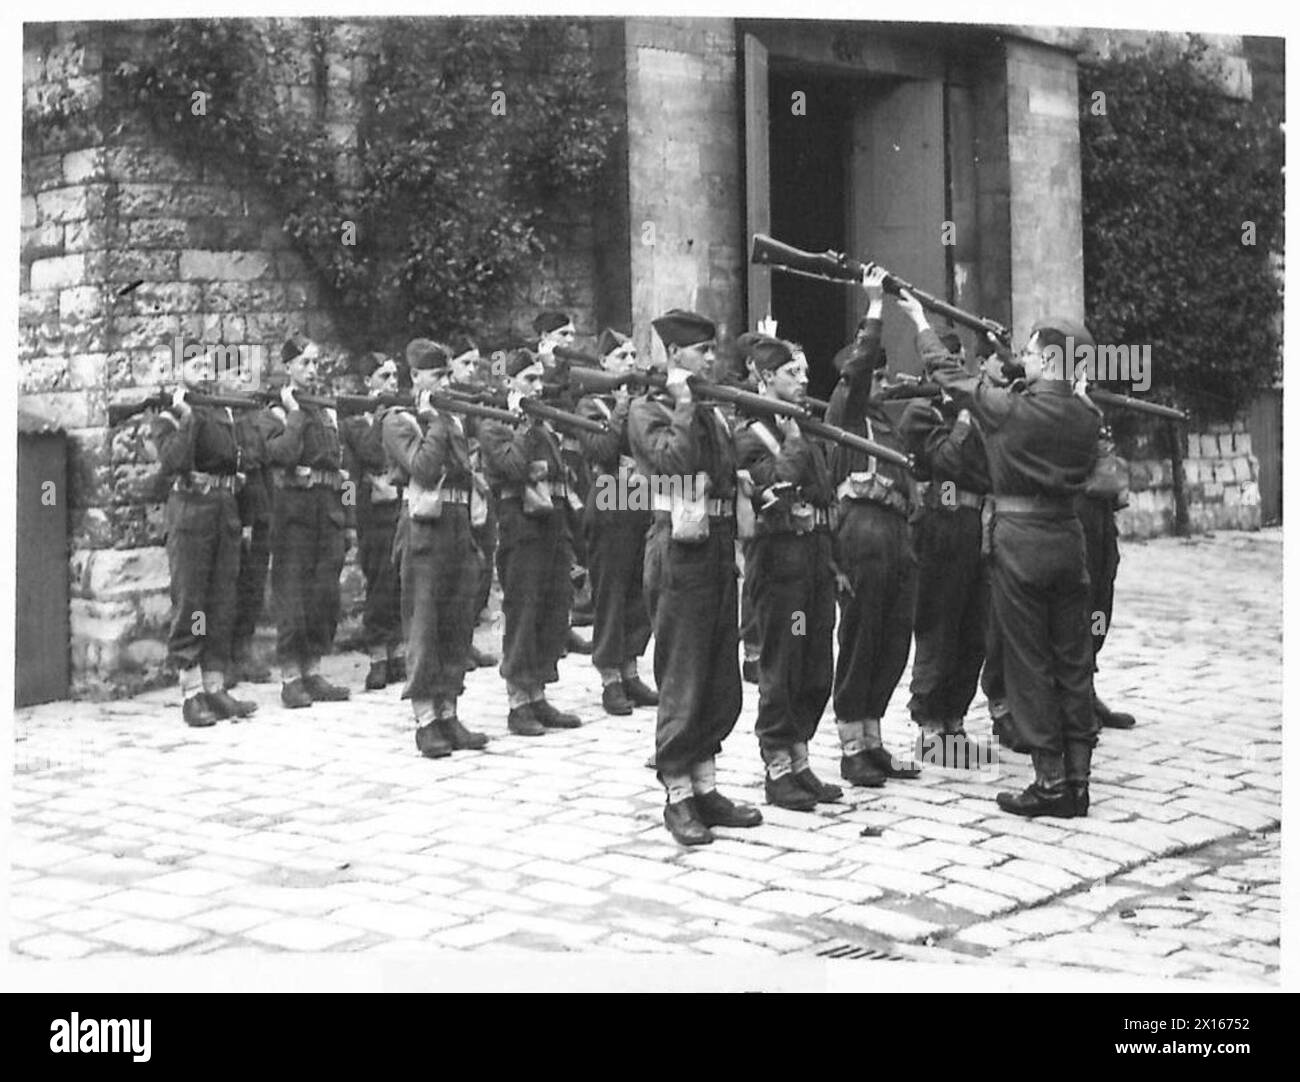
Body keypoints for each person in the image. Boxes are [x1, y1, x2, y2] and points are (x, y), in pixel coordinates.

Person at [906, 295, 1102, 818]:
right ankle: (1079, 780)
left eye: (1035, 354)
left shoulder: (1012, 407)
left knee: (1029, 663)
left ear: (1052, 361)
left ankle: (1050, 782)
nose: (1027, 360)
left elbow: (949, 376)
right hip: (1067, 537)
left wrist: (921, 323)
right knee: (1073, 661)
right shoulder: (1087, 415)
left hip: (1018, 540)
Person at [629, 308, 762, 846]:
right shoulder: (647, 409)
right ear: (675, 355)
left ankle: (705, 787)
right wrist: (684, 403)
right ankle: (677, 796)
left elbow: (720, 473)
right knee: (682, 675)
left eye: (712, 348)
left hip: (714, 551)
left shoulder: (707, 411)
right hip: (677, 551)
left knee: (717, 677)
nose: (711, 358)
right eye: (701, 350)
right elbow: (675, 465)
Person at [734, 334, 841, 810]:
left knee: (817, 665)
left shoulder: (802, 427)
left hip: (814, 558)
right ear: (764, 379)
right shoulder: (748, 435)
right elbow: (773, 483)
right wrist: (794, 440)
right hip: (780, 565)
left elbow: (821, 491)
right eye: (791, 373)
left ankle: (800, 758)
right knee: (784, 663)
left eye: (803, 372)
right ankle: (777, 765)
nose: (803, 381)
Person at [825, 269, 923, 788]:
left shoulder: (888, 425)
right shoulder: (847, 411)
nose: (884, 385)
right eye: (877, 379)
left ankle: (874, 737)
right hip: (861, 535)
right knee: (862, 639)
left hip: (896, 538)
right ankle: (851, 747)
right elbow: (859, 370)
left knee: (893, 641)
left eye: (884, 379)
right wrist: (876, 308)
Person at [382, 339, 487, 757]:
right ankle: (426, 719)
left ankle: (449, 711)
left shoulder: (451, 420)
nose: (446, 381)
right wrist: (438, 421)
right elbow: (423, 468)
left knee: (457, 622)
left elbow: (465, 471)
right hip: (425, 532)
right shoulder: (399, 420)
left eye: (447, 374)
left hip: (459, 528)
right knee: (424, 625)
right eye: (437, 375)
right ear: (416, 379)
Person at [898, 332, 994, 768]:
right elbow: (949, 464)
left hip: (979, 525)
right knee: (939, 625)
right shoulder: (921, 412)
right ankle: (929, 725)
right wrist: (965, 419)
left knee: (974, 631)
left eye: (960, 362)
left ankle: (954, 720)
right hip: (942, 524)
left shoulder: (975, 410)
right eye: (947, 364)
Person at [150, 349, 258, 726]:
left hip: (223, 511)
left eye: (206, 366)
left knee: (221, 601)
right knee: (193, 604)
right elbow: (174, 463)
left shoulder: (219, 412)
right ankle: (191, 689)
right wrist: (188, 418)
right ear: (177, 372)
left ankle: (215, 685)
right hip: (192, 514)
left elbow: (234, 459)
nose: (204, 372)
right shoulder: (170, 418)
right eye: (194, 366)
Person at [478, 348, 582, 736]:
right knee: (522, 609)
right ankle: (517, 701)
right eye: (530, 380)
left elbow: (556, 472)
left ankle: (538, 693)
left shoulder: (541, 425)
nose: (538, 387)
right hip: (520, 525)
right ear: (510, 384)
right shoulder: (495, 423)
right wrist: (521, 422)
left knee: (553, 606)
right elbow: (513, 467)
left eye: (540, 380)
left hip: (552, 523)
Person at [264, 335, 354, 708]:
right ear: (288, 367)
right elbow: (281, 455)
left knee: (324, 595)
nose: (312, 371)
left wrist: (347, 520)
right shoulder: (276, 411)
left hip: (328, 509)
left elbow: (342, 470)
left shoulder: (327, 411)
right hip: (294, 512)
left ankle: (313, 670)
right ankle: (290, 677)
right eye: (305, 364)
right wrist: (295, 415)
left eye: (316, 364)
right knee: (293, 594)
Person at [576, 328, 658, 716]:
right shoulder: (590, 405)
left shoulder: (641, 403)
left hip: (640, 501)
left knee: (638, 594)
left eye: (632, 356)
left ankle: (630, 670)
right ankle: (610, 677)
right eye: (621, 357)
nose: (630, 363)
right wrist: (624, 406)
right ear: (604, 365)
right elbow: (603, 449)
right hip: (609, 501)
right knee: (610, 595)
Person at [341, 353, 406, 690]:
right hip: (373, 514)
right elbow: (366, 459)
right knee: (379, 584)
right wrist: (350, 520)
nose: (392, 382)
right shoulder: (355, 423)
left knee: (398, 582)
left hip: (397, 509)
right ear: (369, 382)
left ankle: (397, 651)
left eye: (394, 376)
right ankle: (378, 655)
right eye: (384, 376)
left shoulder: (398, 416)